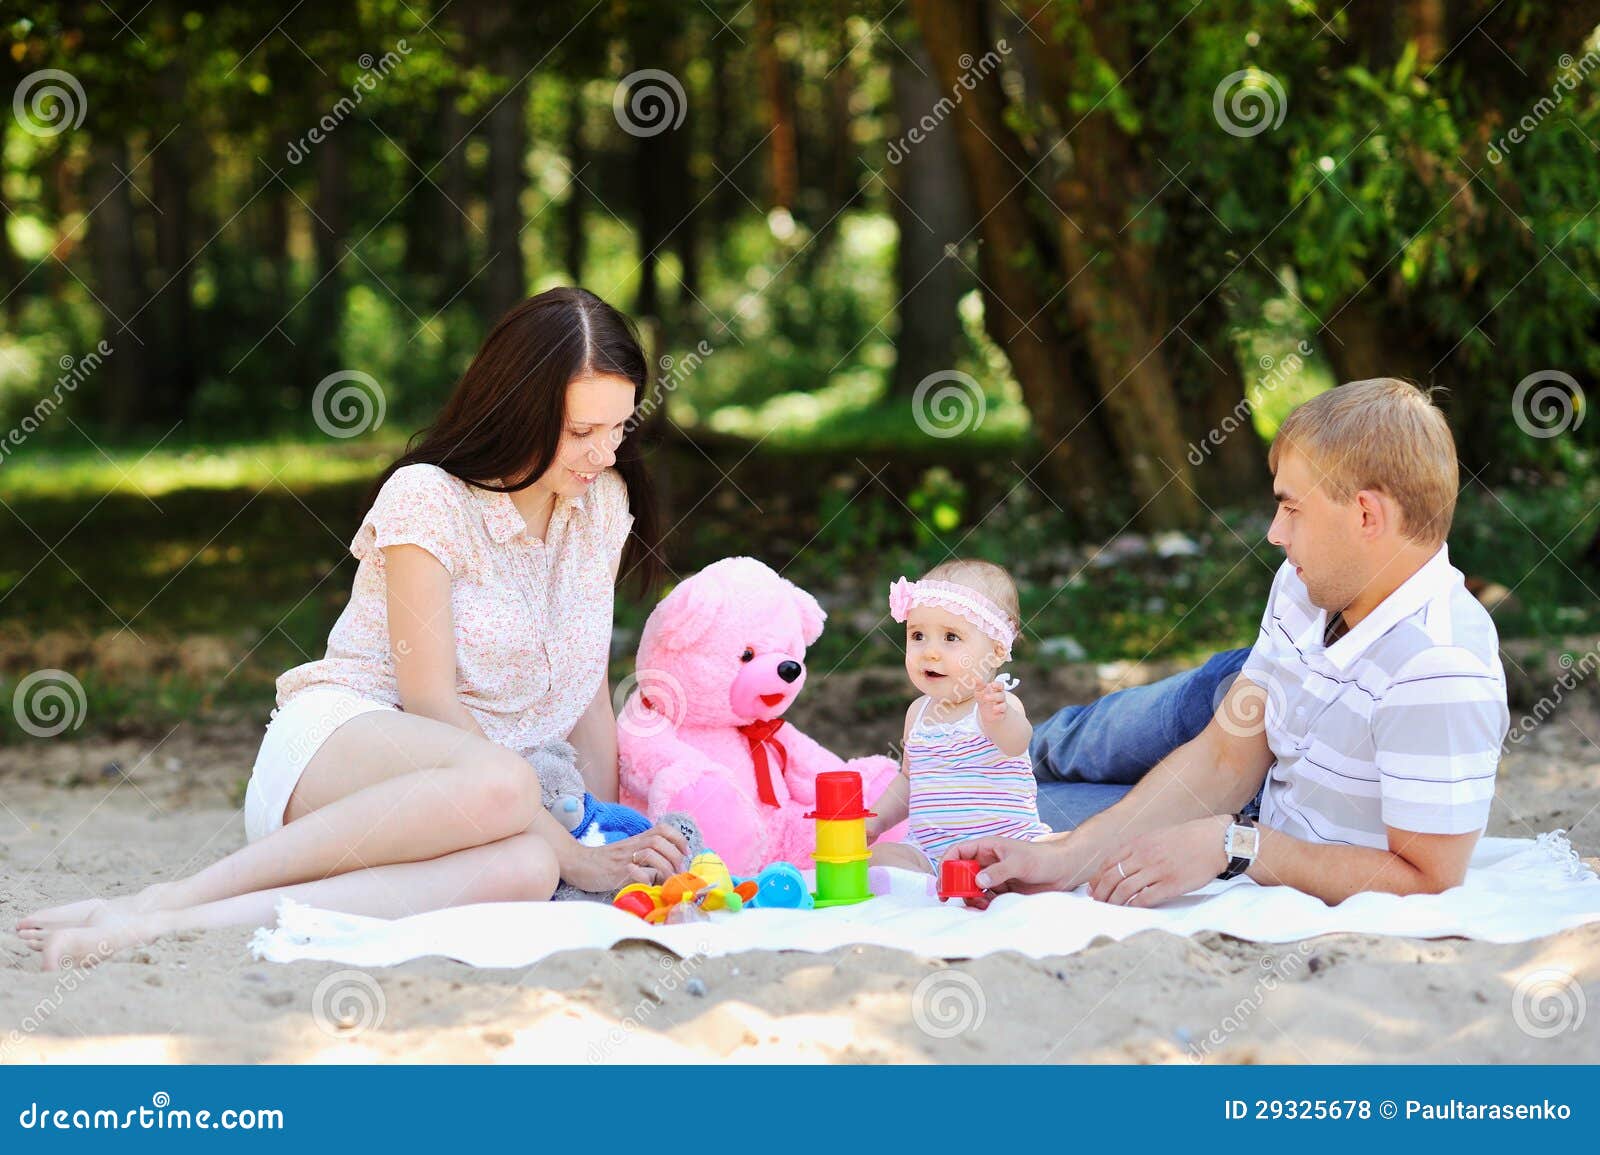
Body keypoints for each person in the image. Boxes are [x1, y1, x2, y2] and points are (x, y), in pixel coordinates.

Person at [19, 287, 690, 969]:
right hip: (346, 756)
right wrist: (574, 848)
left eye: (620, 428)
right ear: (521, 407)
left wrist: (595, 843)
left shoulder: (602, 501)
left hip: (490, 810)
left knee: (528, 869)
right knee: (508, 786)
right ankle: (165, 898)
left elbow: (588, 692)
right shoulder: (429, 498)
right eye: (582, 431)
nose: (604, 453)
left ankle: (155, 927)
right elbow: (431, 704)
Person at [955, 378, 1510, 908]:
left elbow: (1431, 883)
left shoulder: (1441, 667)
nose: (1274, 532)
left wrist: (1235, 845)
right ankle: (934, 759)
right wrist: (1076, 857)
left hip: (1249, 821)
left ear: (1366, 515)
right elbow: (1227, 754)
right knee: (1071, 743)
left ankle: (940, 788)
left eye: (1292, 507)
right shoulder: (1304, 581)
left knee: (1008, 822)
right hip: (1227, 709)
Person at [867, 559, 1051, 873]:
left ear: (995, 651)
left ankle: (992, 881)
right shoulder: (918, 713)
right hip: (930, 849)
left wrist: (999, 719)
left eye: (951, 637)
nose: (930, 652)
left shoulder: (999, 703)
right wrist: (875, 821)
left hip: (1000, 845)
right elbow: (909, 779)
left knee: (1044, 857)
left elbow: (1017, 743)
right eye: (918, 636)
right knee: (879, 860)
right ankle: (931, 885)